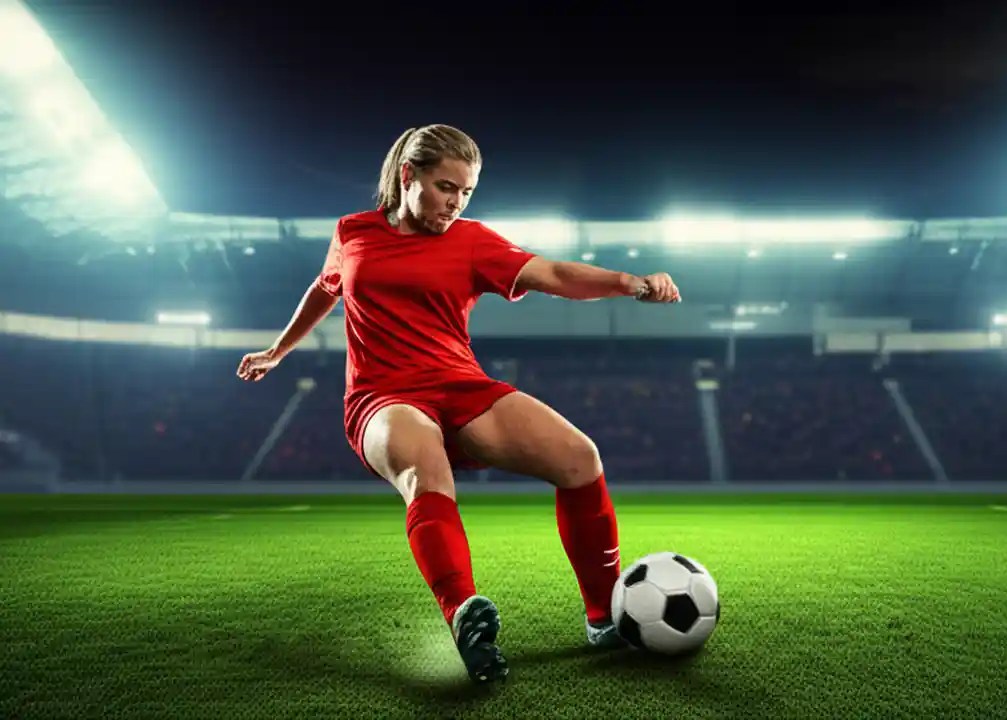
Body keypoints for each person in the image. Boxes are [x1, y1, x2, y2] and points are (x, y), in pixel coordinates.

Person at [235, 124, 681, 684]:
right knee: (426, 473)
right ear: (408, 176)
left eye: (466, 191)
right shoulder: (352, 232)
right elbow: (326, 288)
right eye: (446, 187)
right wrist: (278, 350)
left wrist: (629, 282)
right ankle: (465, 613)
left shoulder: (471, 241)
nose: (456, 202)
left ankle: (604, 615)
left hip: (460, 386)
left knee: (579, 458)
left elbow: (552, 274)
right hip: (383, 395)